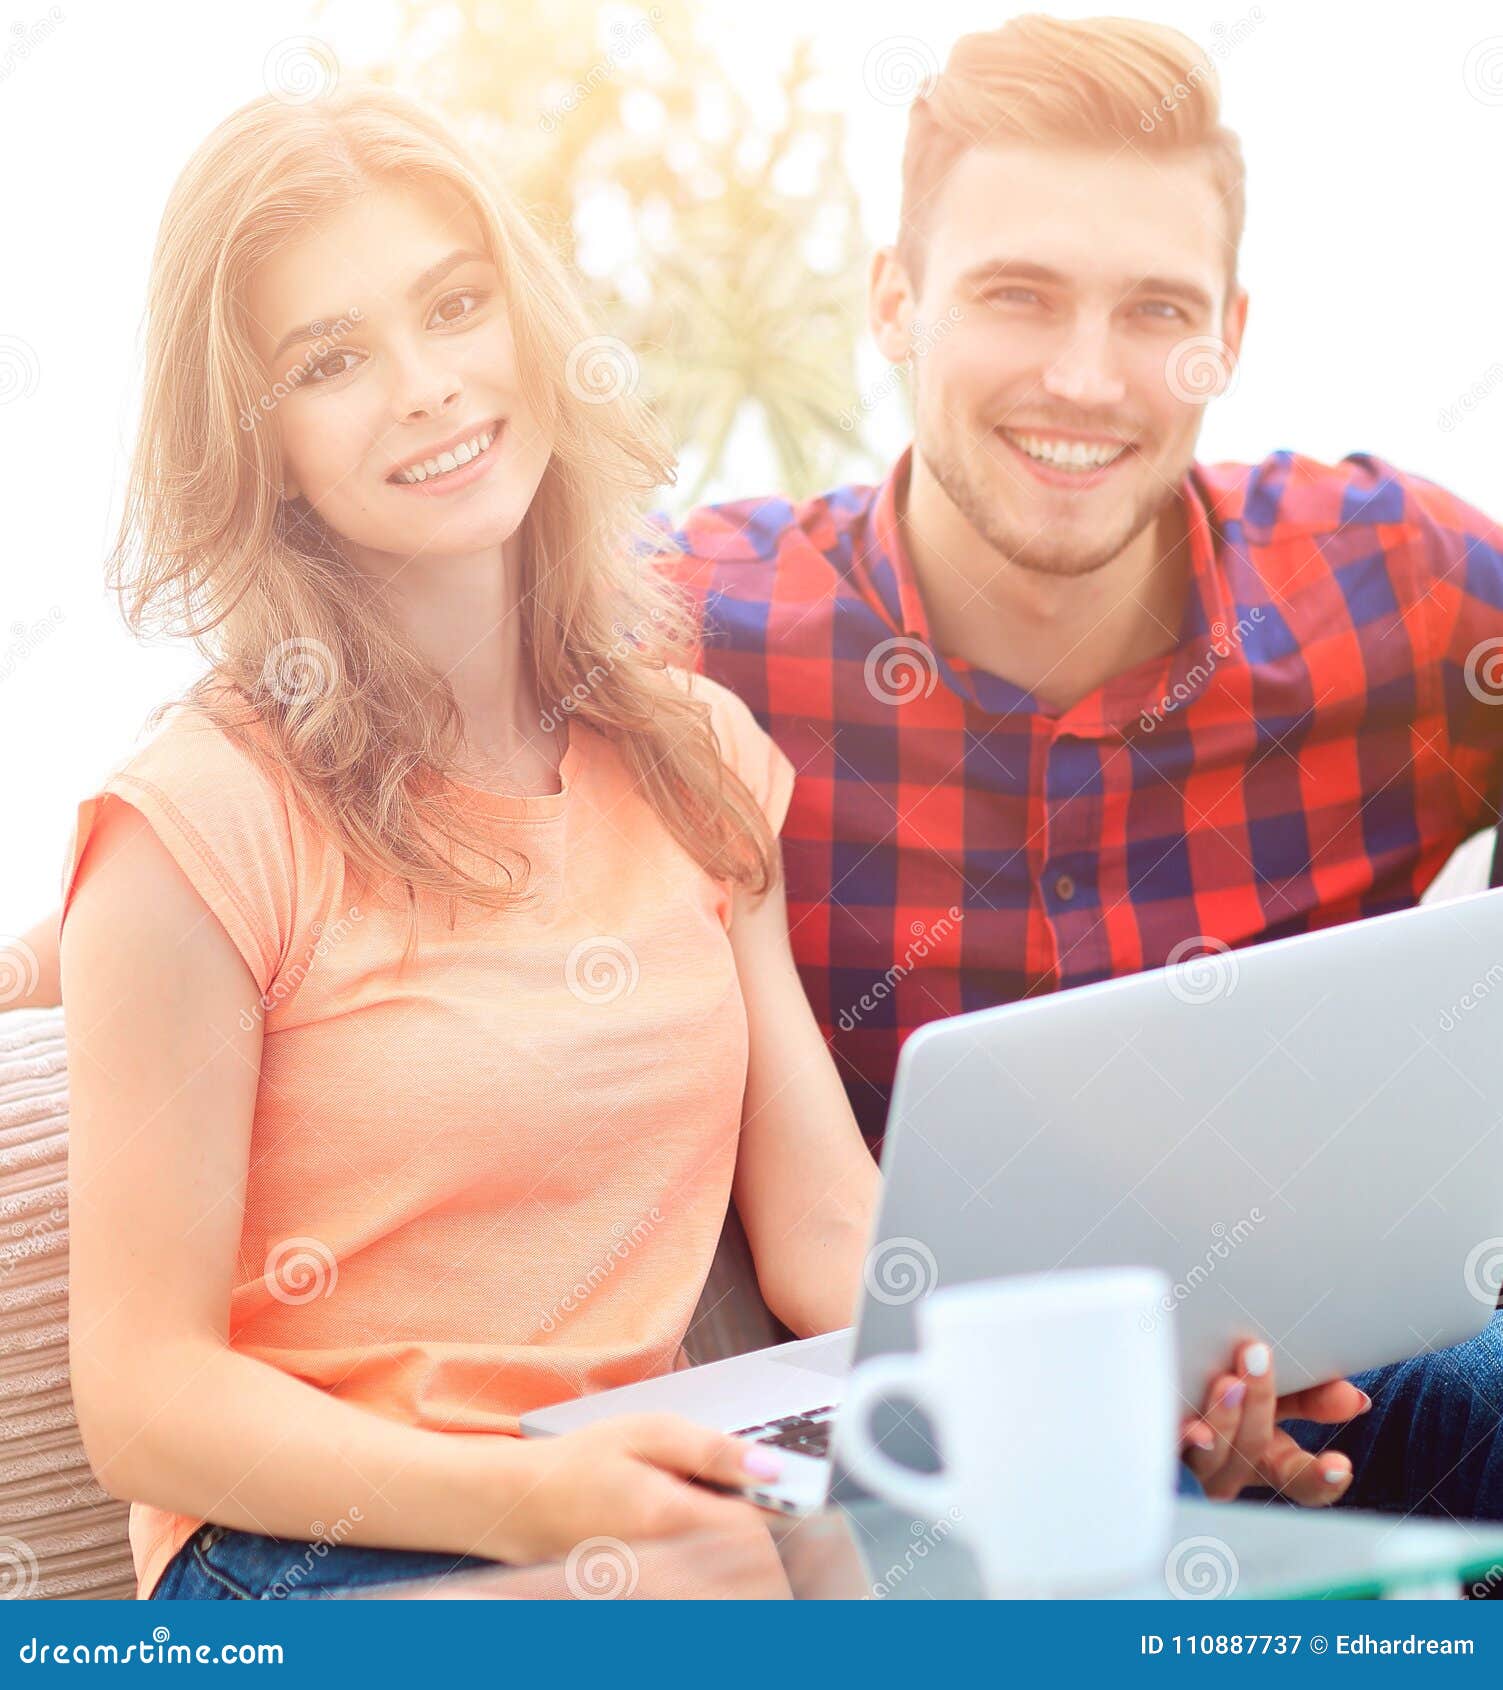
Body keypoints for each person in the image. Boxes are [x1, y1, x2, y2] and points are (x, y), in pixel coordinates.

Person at [652, 15, 1503, 1517]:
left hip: (1355, 1394)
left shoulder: (1405, 592)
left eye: (1153, 310)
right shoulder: (694, 640)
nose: (1086, 377)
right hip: (932, 1450)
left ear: (1229, 335)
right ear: (895, 304)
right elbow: (274, 809)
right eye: (1018, 295)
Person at [54, 83, 878, 1601]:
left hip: (650, 1498)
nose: (428, 385)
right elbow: (142, 1399)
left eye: (456, 307)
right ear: (260, 444)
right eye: (333, 359)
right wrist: (537, 1500)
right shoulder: (195, 825)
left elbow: (832, 1232)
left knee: (968, 1545)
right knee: (743, 1580)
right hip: (303, 1557)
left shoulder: (691, 757)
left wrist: (1104, 1365)